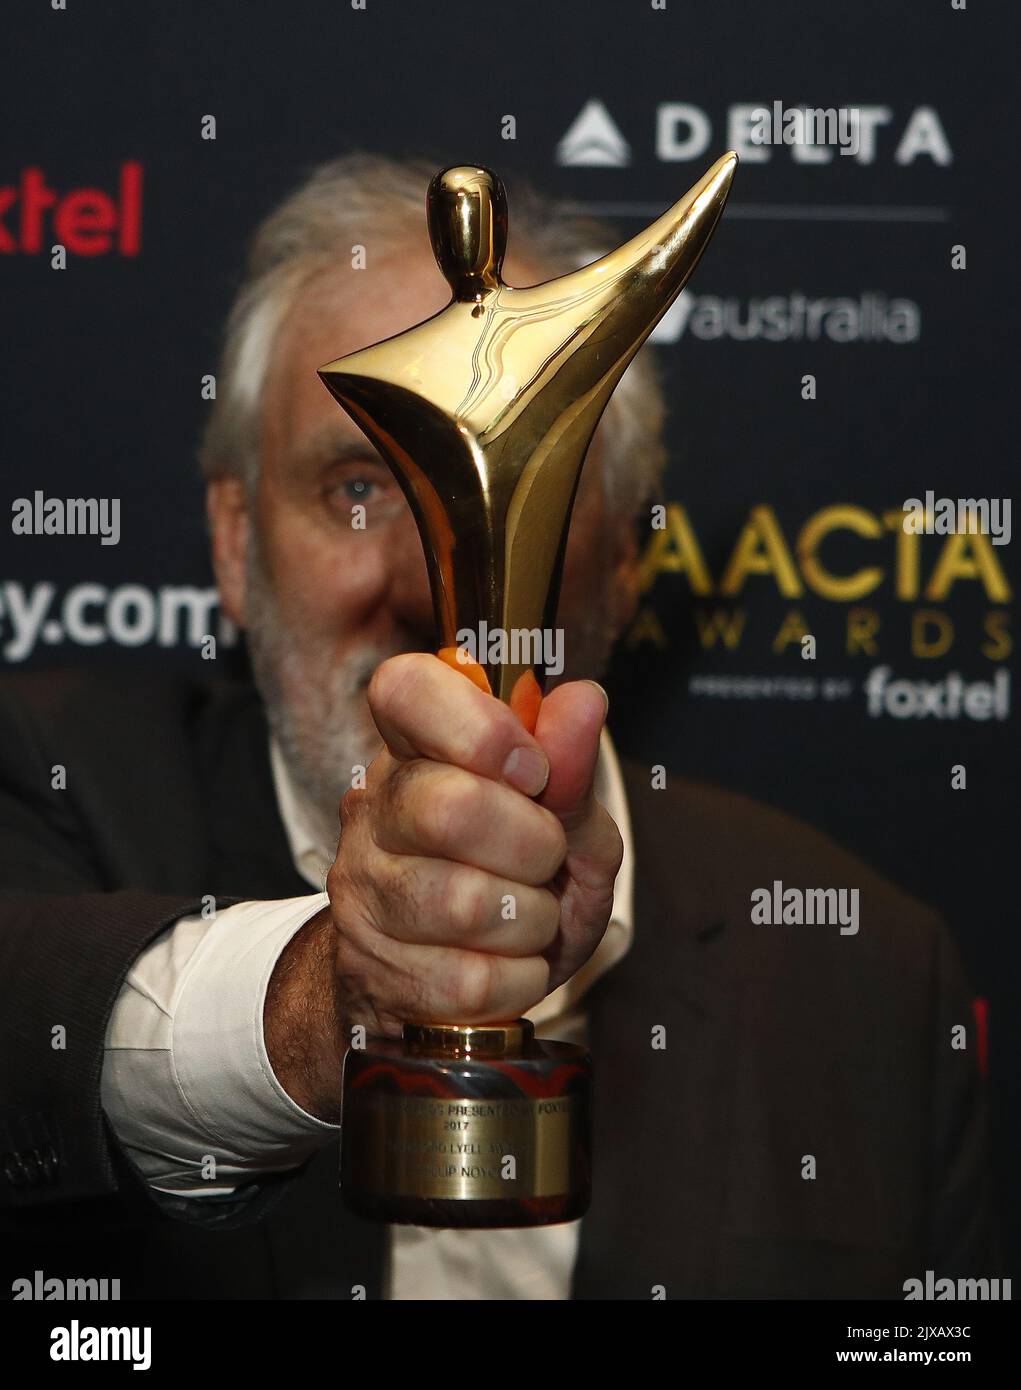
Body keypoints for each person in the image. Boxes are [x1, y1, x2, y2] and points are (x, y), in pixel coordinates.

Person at [0, 152, 996, 1300]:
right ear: (233, 541)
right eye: (355, 488)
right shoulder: (58, 782)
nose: (430, 583)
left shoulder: (868, 970)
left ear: (624, 560)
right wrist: (325, 1000)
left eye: (556, 492)